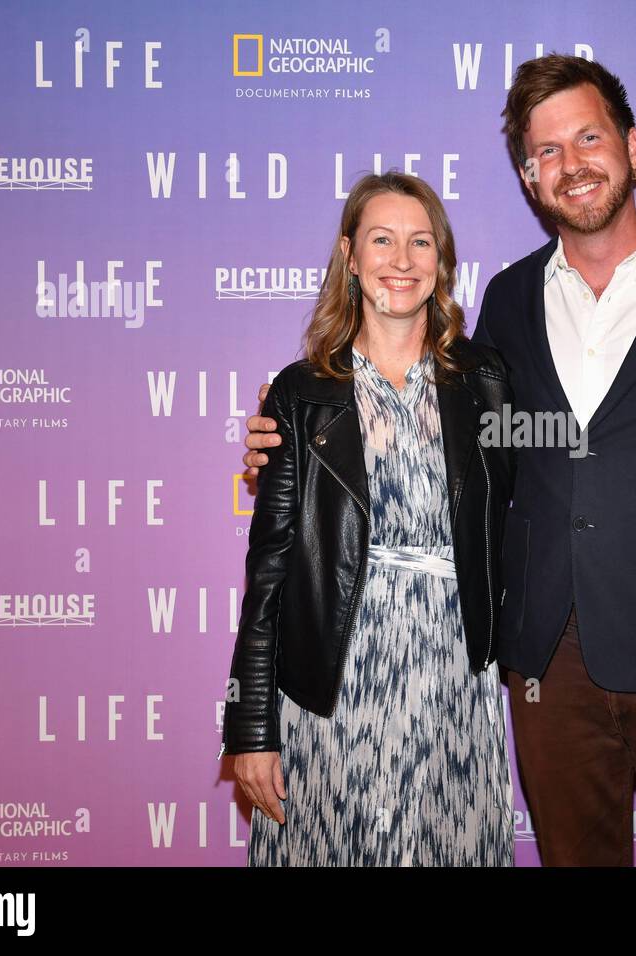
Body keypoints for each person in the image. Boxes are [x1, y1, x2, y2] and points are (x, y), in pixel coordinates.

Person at [244, 54, 636, 866]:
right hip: (548, 667)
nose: (571, 165)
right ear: (530, 179)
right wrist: (286, 436)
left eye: (588, 138)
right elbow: (446, 436)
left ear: (633, 147)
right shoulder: (509, 300)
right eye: (545, 152)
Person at [220, 171, 517, 866]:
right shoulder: (302, 393)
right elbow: (270, 570)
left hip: (453, 679)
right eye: (382, 240)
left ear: (442, 261)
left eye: (421, 242)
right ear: (350, 256)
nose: (402, 260)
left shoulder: (486, 381)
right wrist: (253, 725)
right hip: (331, 682)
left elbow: (555, 487)